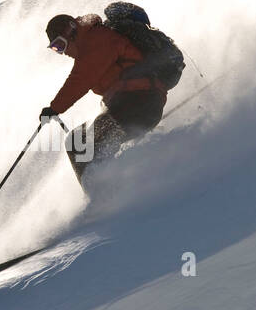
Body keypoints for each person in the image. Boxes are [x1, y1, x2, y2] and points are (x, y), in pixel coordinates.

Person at [41, 11, 168, 189]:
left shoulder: (96, 40)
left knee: (81, 143)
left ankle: (104, 194)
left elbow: (83, 78)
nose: (62, 53)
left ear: (72, 31)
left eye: (60, 45)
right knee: (78, 141)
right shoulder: (91, 43)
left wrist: (55, 108)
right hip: (131, 106)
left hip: (138, 103)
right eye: (56, 49)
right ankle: (111, 188)